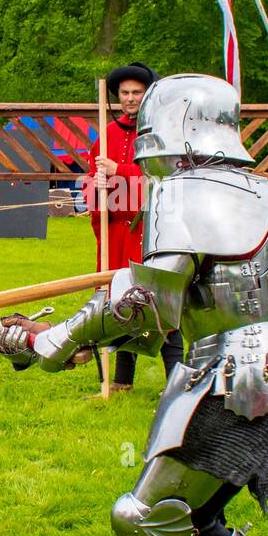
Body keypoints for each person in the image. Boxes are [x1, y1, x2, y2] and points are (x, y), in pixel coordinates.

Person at [0, 73, 268, 536]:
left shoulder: (181, 191)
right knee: (195, 519)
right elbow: (167, 302)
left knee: (144, 517)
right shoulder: (256, 188)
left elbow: (145, 302)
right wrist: (74, 334)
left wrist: (51, 340)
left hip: (236, 376)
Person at [87, 62, 184, 391]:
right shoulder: (108, 134)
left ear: (148, 94)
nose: (130, 99)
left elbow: (166, 181)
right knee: (120, 304)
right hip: (118, 233)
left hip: (155, 234)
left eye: (136, 93)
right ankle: (121, 381)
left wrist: (121, 171)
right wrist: (97, 185)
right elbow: (93, 190)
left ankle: (176, 383)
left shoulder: (163, 133)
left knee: (161, 306)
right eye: (125, 93)